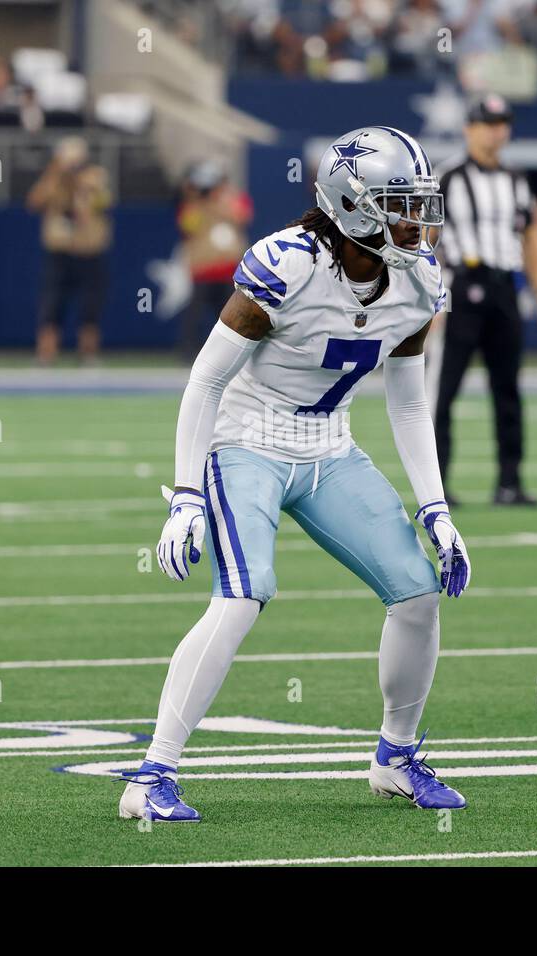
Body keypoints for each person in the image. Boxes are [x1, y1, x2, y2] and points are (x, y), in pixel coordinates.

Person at [119, 126, 471, 823]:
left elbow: (407, 397)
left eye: (420, 203)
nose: (418, 220)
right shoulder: (289, 264)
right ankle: (151, 774)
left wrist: (435, 509)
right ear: (354, 204)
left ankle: (394, 758)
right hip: (248, 441)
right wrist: (188, 494)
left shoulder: (417, 280)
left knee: (417, 593)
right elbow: (207, 379)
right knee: (244, 595)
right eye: (400, 203)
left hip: (329, 447)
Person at [433, 94, 537, 508]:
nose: (497, 130)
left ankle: (510, 483)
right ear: (470, 127)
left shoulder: (516, 179)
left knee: (507, 387)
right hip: (459, 286)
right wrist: (428, 299)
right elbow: (423, 239)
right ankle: (436, 489)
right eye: (489, 123)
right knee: (443, 390)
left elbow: (532, 236)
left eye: (503, 122)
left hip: (505, 286)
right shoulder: (448, 177)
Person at [26, 136, 111, 365]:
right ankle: (46, 353)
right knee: (52, 302)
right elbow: (33, 202)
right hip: (60, 252)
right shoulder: (53, 180)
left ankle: (88, 354)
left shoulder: (95, 177)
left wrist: (80, 184)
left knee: (90, 304)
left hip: (89, 250)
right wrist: (56, 174)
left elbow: (101, 204)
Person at [176, 160, 252, 361]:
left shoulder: (234, 198)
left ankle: (232, 355)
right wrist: (199, 199)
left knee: (232, 316)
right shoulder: (193, 204)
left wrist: (217, 200)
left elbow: (242, 216)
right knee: (194, 315)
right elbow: (188, 225)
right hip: (203, 270)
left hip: (229, 270)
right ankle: (189, 353)